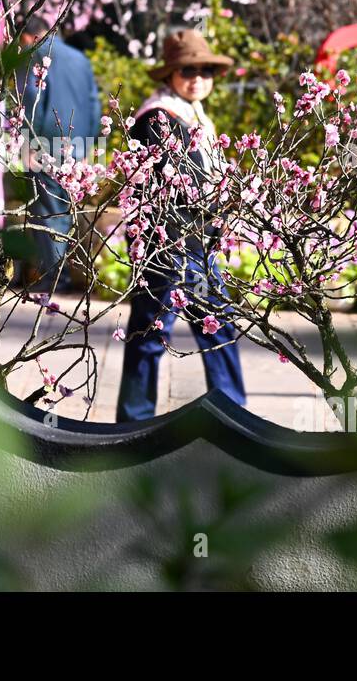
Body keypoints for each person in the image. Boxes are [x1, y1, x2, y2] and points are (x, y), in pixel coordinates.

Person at [115, 28, 248, 421]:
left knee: (217, 325)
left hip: (195, 243)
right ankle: (135, 418)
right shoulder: (159, 117)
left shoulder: (194, 116)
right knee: (152, 331)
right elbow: (180, 184)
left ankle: (232, 410)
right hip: (166, 244)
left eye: (205, 70)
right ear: (171, 75)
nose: (197, 78)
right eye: (187, 70)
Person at [15, 16, 101, 293]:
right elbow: (93, 103)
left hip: (46, 145)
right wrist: (88, 148)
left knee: (50, 211)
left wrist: (28, 144)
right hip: (79, 143)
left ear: (28, 37)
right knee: (65, 209)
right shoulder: (80, 58)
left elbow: (31, 101)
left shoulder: (35, 55)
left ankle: (55, 277)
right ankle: (60, 272)